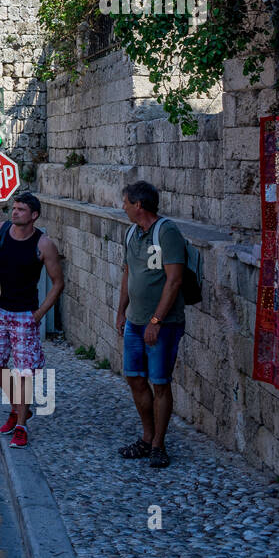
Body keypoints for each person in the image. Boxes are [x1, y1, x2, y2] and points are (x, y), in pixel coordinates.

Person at [0, 192, 63, 449]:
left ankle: (22, 425)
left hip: (24, 314)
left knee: (24, 371)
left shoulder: (44, 244)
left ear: (34, 215)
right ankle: (18, 408)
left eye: (21, 209)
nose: (14, 212)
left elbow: (58, 283)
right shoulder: (1, 230)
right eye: (14, 208)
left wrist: (39, 314)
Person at [116, 180, 187, 469]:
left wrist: (156, 320)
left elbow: (175, 280)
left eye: (125, 202)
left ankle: (159, 444)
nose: (123, 207)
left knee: (160, 382)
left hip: (163, 324)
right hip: (135, 322)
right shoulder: (131, 233)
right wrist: (121, 311)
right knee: (134, 378)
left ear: (138, 205)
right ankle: (146, 437)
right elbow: (128, 274)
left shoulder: (167, 232)